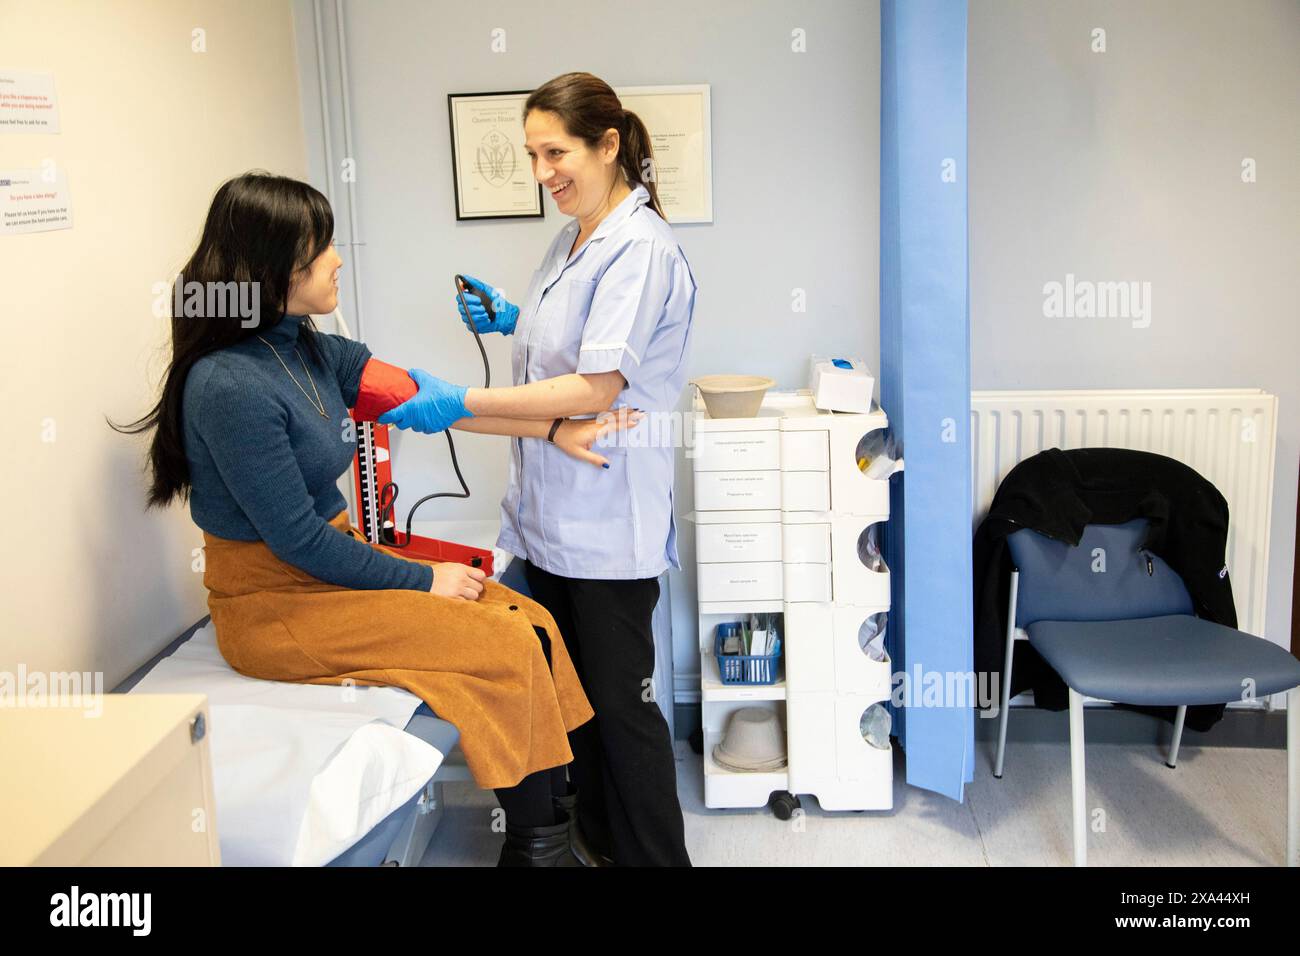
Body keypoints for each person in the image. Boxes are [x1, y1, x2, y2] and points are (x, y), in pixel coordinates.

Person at [110, 171, 641, 866]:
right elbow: (297, 540)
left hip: (327, 569)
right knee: (501, 644)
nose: (337, 259)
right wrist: (424, 582)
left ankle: (553, 826)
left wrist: (551, 430)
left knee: (528, 621)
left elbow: (428, 400)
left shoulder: (304, 346)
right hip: (273, 608)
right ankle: (539, 851)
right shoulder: (228, 385)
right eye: (319, 247)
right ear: (272, 269)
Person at [380, 72, 697, 866]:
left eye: (556, 151)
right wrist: (518, 319)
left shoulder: (641, 246)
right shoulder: (575, 235)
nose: (542, 171)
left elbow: (597, 384)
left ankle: (656, 858)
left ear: (608, 144)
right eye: (531, 153)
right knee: (572, 703)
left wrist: (459, 399)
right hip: (549, 514)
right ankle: (596, 843)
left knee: (622, 711)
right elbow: (577, 338)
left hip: (605, 512)